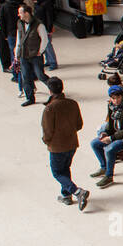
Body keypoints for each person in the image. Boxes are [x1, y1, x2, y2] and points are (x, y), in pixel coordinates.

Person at [40, 77, 89, 212]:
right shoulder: (73, 103)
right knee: (65, 169)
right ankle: (66, 195)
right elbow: (79, 125)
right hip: (72, 143)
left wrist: (46, 141)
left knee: (57, 172)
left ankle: (77, 192)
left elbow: (47, 131)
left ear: (50, 91)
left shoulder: (50, 109)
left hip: (57, 146)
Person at [88, 84, 123, 189]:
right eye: (113, 98)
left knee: (109, 149)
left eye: (118, 98)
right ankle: (104, 167)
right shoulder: (111, 106)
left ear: (122, 96)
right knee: (94, 143)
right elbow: (111, 123)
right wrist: (106, 133)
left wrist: (111, 138)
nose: (116, 101)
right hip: (117, 134)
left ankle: (109, 176)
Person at [14, 4, 49, 107]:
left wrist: (40, 51)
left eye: (20, 12)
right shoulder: (20, 23)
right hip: (24, 54)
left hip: (35, 55)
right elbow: (19, 38)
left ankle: (54, 89)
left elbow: (44, 39)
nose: (19, 15)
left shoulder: (39, 24)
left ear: (26, 13)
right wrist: (17, 53)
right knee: (26, 77)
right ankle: (30, 98)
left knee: (40, 75)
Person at [33, 0, 60, 72]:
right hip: (40, 26)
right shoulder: (37, 3)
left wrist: (49, 28)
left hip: (45, 27)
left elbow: (49, 16)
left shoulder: (46, 3)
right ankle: (49, 60)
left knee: (48, 45)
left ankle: (53, 62)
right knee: (44, 45)